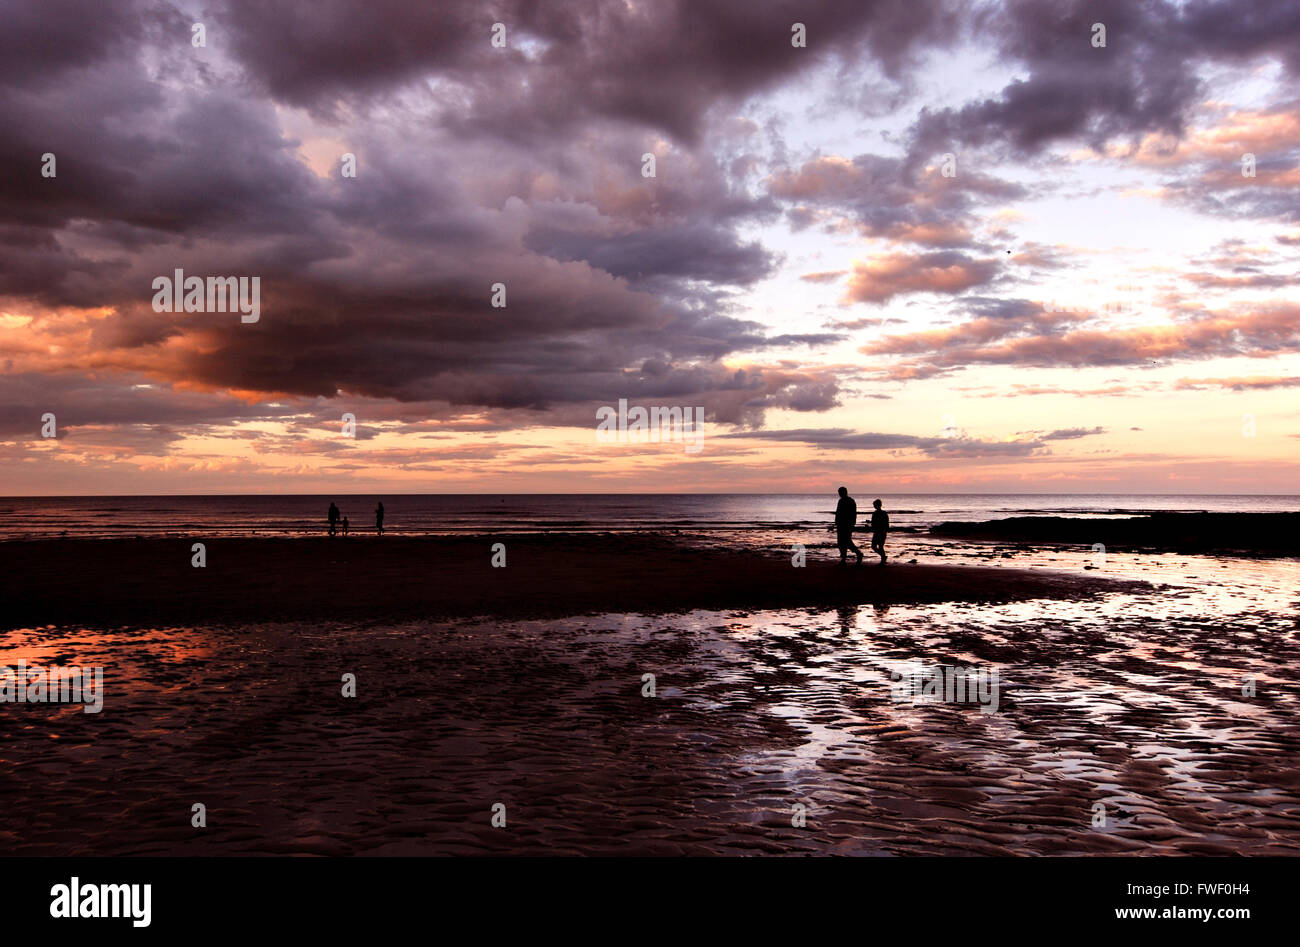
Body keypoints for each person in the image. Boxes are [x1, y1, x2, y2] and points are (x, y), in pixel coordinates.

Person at [834, 486, 863, 566]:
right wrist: (836, 522)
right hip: (841, 525)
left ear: (845, 492)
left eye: (840, 492)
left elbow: (853, 514)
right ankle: (843, 559)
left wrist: (852, 524)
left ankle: (858, 554)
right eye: (839, 492)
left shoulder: (850, 501)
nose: (839, 494)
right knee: (841, 542)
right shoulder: (841, 501)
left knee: (847, 542)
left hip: (847, 525)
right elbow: (838, 513)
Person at [870, 498, 889, 565]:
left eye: (874, 505)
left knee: (876, 546)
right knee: (878, 546)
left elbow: (874, 523)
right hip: (880, 532)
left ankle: (883, 558)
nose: (874, 506)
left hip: (879, 532)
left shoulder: (876, 513)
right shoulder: (883, 513)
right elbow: (887, 523)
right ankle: (883, 557)